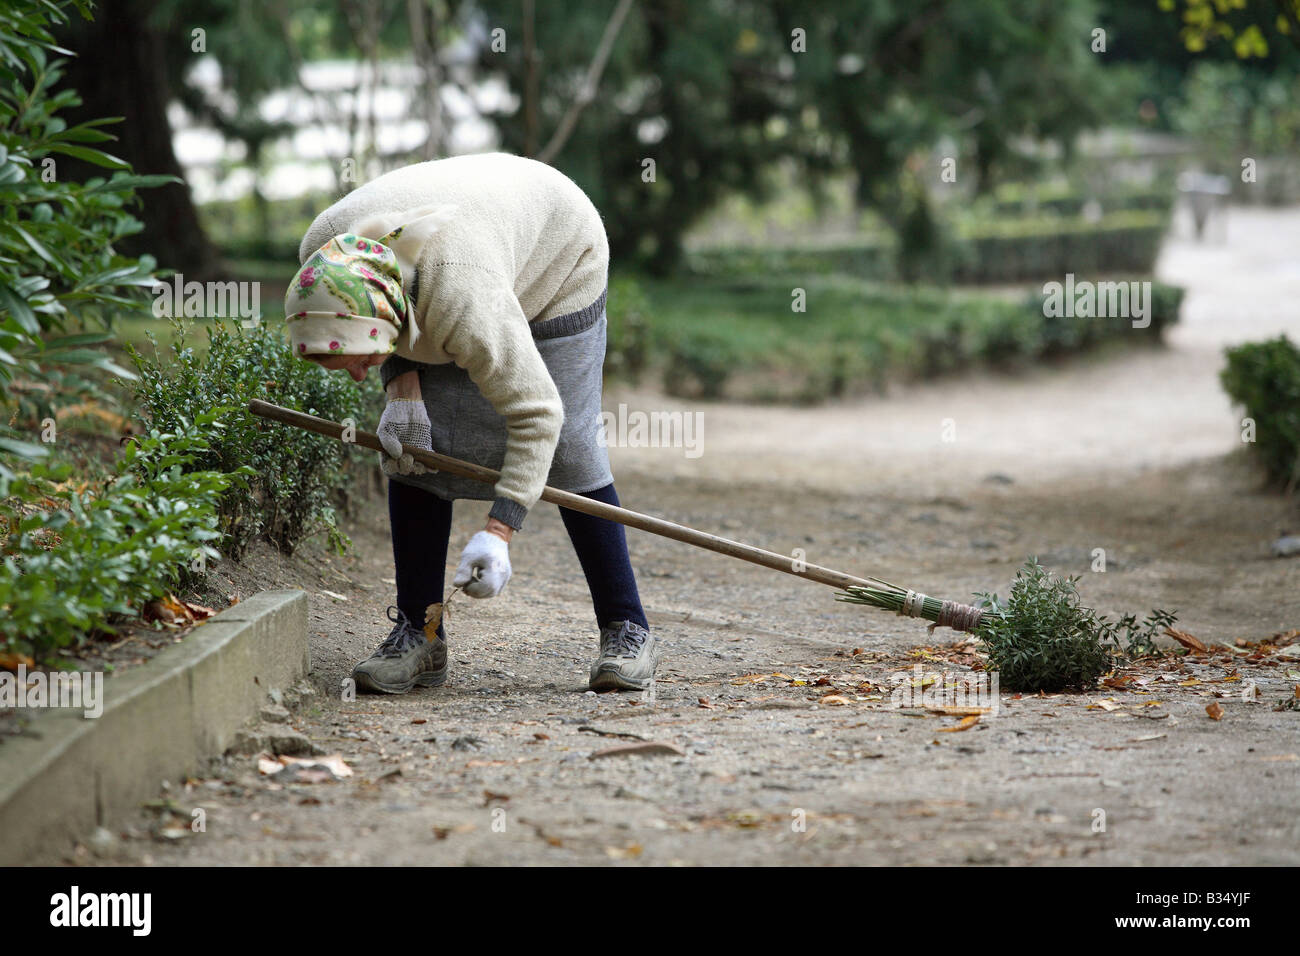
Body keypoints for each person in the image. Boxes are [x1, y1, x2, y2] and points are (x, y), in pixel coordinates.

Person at [286, 152, 658, 694]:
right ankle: (421, 633)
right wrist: (401, 387)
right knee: (417, 450)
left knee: (572, 450)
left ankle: (628, 629)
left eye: (362, 362)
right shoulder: (325, 260)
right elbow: (388, 308)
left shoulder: (462, 294)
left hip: (558, 257)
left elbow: (537, 412)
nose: (358, 378)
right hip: (466, 248)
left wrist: (499, 530)